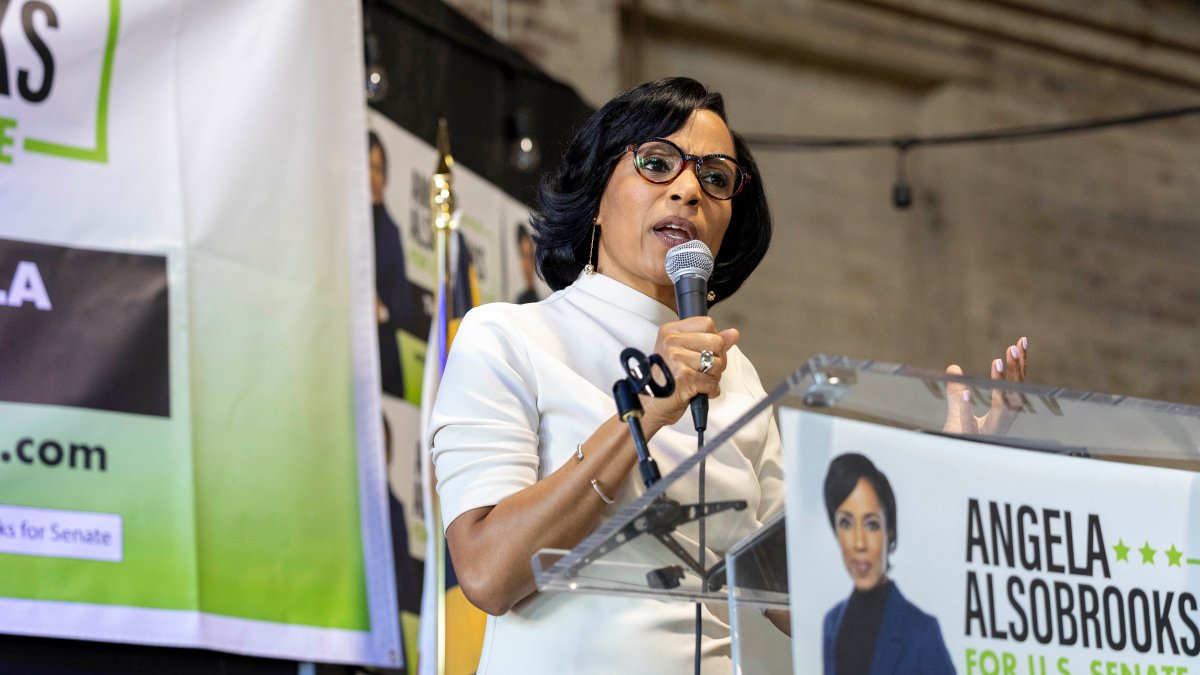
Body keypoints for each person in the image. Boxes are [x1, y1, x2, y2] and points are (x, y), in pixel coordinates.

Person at [428, 76, 1027, 674]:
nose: (689, 190)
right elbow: (486, 573)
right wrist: (641, 414)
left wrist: (949, 482)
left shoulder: (736, 375)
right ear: (596, 194)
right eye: (658, 163)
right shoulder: (509, 338)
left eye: (715, 178)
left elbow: (812, 603)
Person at [821, 453, 953, 675]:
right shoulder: (832, 623)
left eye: (871, 525)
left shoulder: (921, 631)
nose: (859, 543)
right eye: (846, 523)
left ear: (889, 532)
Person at [369, 131, 412, 398]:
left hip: (383, 359)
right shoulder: (343, 224)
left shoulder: (391, 232)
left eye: (379, 169)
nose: (373, 177)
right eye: (368, 167)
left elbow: (405, 308)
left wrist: (381, 311)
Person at [513, 226, 540, 304]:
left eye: (530, 256)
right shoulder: (518, 301)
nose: (528, 265)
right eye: (524, 256)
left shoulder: (544, 299)